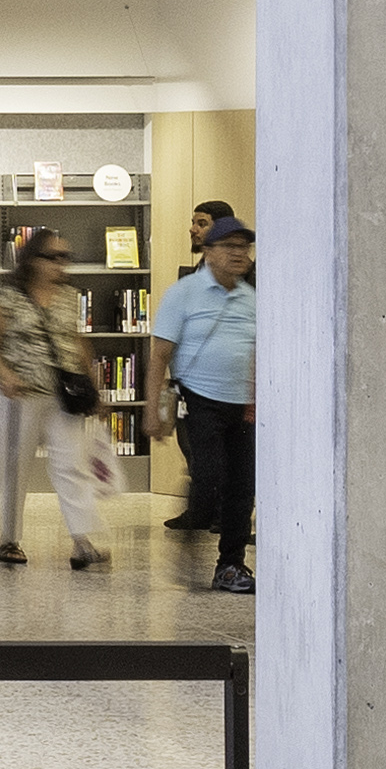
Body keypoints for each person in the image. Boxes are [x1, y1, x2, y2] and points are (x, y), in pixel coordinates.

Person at [0, 225, 110, 574]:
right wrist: (6, 374)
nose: (62, 264)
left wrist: (95, 387)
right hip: (18, 396)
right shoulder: (7, 297)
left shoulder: (70, 297)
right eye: (54, 257)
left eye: (66, 257)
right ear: (33, 260)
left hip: (64, 395)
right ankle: (9, 539)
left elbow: (78, 341)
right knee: (15, 467)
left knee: (73, 466)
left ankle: (82, 542)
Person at [149, 214, 259, 598]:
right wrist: (151, 409)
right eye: (230, 246)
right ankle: (194, 525)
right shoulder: (183, 293)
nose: (239, 254)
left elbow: (260, 351)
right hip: (199, 400)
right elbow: (160, 354)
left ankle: (230, 565)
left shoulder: (251, 298)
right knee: (209, 476)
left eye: (244, 247)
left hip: (244, 406)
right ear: (208, 252)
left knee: (243, 487)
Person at [153, 202, 240, 524]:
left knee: (222, 454)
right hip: (189, 381)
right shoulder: (190, 278)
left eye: (201, 223)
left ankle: (222, 512)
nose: (192, 229)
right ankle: (201, 509)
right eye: (193, 222)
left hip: (225, 384)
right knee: (191, 446)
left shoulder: (244, 278)